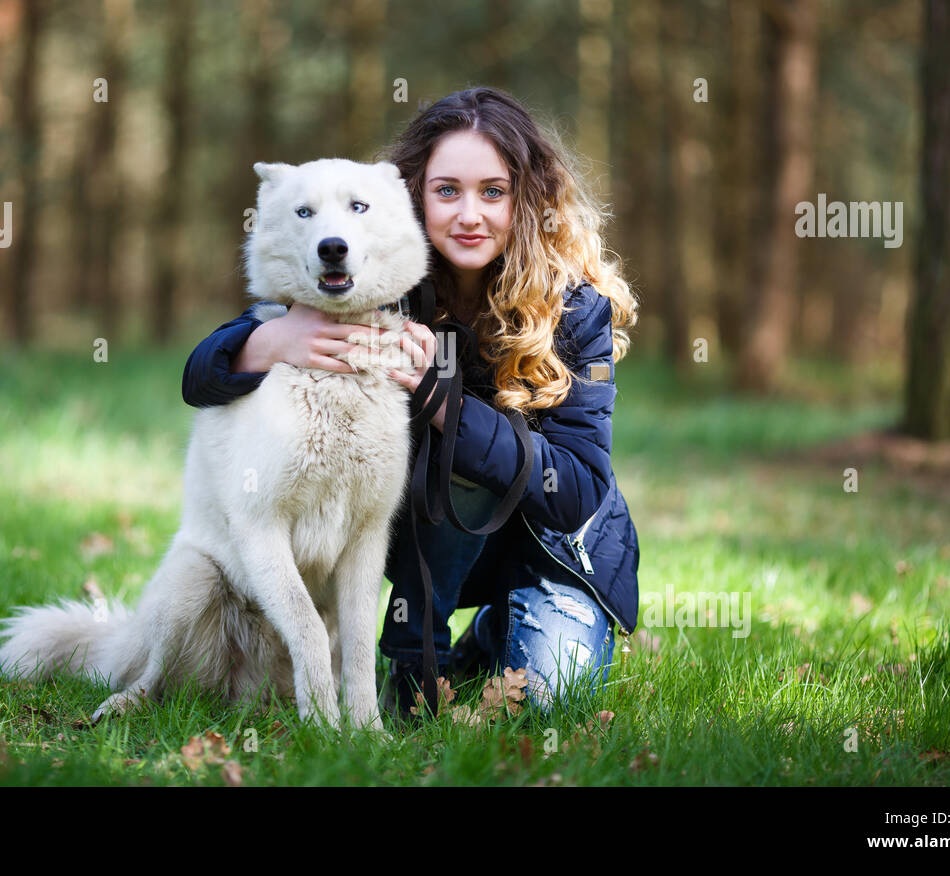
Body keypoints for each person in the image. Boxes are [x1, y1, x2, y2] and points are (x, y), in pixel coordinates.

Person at [181, 87, 640, 724]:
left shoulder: (577, 309)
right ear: (415, 196)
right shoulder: (378, 278)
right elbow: (201, 374)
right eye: (447, 190)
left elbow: (580, 488)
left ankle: (494, 630)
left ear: (525, 199)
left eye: (493, 191)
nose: (469, 214)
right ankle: (414, 652)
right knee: (448, 487)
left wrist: (442, 399)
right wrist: (268, 340)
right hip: (425, 550)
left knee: (548, 701)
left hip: (548, 551)